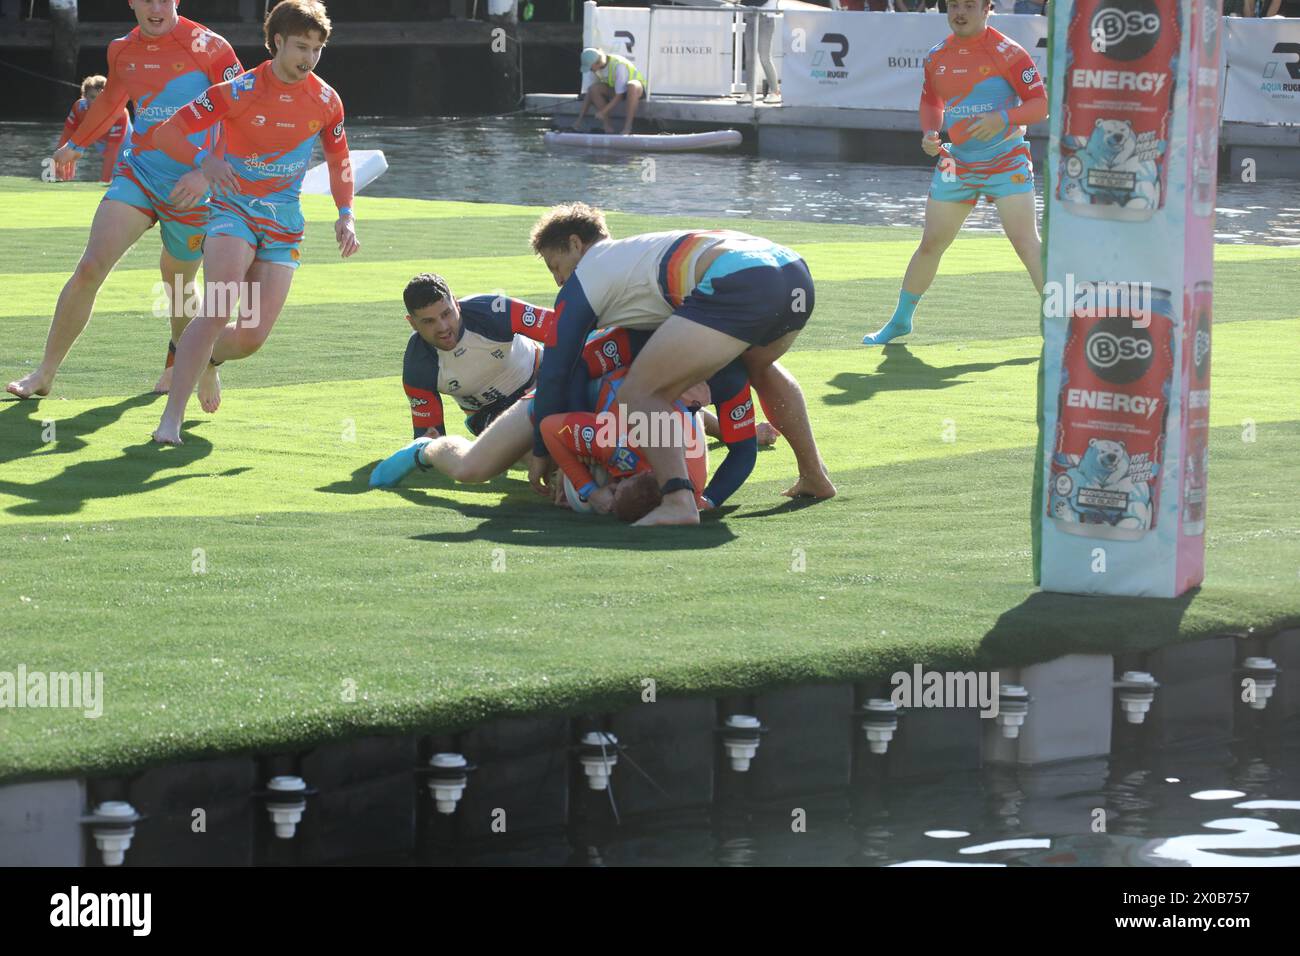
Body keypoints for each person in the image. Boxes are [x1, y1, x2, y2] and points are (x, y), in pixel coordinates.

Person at [527, 203, 835, 527]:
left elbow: (557, 369)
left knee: (639, 394)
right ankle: (814, 475)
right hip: (793, 272)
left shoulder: (587, 276)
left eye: (555, 266)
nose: (559, 280)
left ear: (576, 244)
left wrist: (539, 452)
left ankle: (678, 502)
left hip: (742, 278)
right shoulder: (634, 253)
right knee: (758, 368)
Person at [6, 0, 241, 401]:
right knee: (89, 266)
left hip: (192, 185)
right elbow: (114, 98)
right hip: (140, 173)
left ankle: (192, 362)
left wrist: (206, 173)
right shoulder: (121, 49)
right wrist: (76, 144)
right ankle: (45, 372)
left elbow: (240, 111)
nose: (155, 7)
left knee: (179, 280)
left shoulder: (211, 46)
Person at [148, 0, 359, 445]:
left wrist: (346, 214)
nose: (309, 58)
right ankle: (171, 419)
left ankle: (208, 360)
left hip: (284, 226)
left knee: (250, 338)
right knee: (218, 309)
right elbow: (167, 131)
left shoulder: (326, 99)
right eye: (302, 47)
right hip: (232, 213)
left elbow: (339, 160)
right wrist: (205, 161)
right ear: (278, 42)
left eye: (318, 49)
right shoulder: (238, 90)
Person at [861, 0, 1047, 346]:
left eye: (969, 5)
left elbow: (1041, 106)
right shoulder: (936, 56)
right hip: (955, 163)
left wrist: (1002, 119)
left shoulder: (1009, 52)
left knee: (1025, 243)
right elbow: (932, 103)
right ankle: (901, 321)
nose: (960, 12)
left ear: (987, 8)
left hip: (1007, 161)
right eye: (954, 5)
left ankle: (1059, 322)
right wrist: (930, 134)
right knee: (931, 243)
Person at [55, 75, 133, 183]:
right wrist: (58, 168)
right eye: (92, 97)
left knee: (124, 173)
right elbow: (66, 138)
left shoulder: (120, 114)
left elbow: (112, 152)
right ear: (84, 97)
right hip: (101, 140)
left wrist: (104, 181)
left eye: (100, 97)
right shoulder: (79, 108)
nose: (97, 102)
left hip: (125, 144)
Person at [572, 47, 645, 136]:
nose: (590, 70)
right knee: (593, 88)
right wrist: (579, 120)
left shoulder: (618, 65)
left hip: (635, 90)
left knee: (631, 85)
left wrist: (603, 112)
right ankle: (607, 127)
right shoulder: (596, 69)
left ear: (597, 62)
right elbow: (590, 92)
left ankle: (627, 127)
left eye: (591, 68)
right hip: (618, 90)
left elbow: (619, 96)